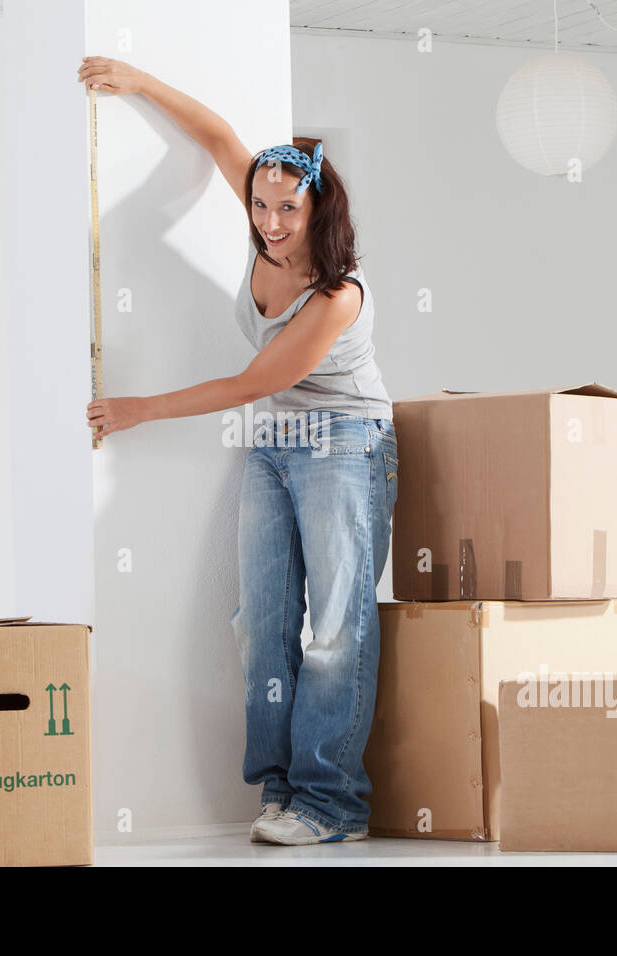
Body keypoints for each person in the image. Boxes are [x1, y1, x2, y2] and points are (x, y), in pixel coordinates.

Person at [77, 57, 397, 845]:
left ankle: (334, 805)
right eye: (260, 204)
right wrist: (135, 80)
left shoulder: (338, 294)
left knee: (334, 629)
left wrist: (140, 408)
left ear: (317, 204)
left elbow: (260, 380)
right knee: (259, 622)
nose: (270, 221)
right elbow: (219, 134)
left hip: (345, 444)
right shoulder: (260, 214)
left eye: (287, 207)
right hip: (276, 446)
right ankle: (283, 791)